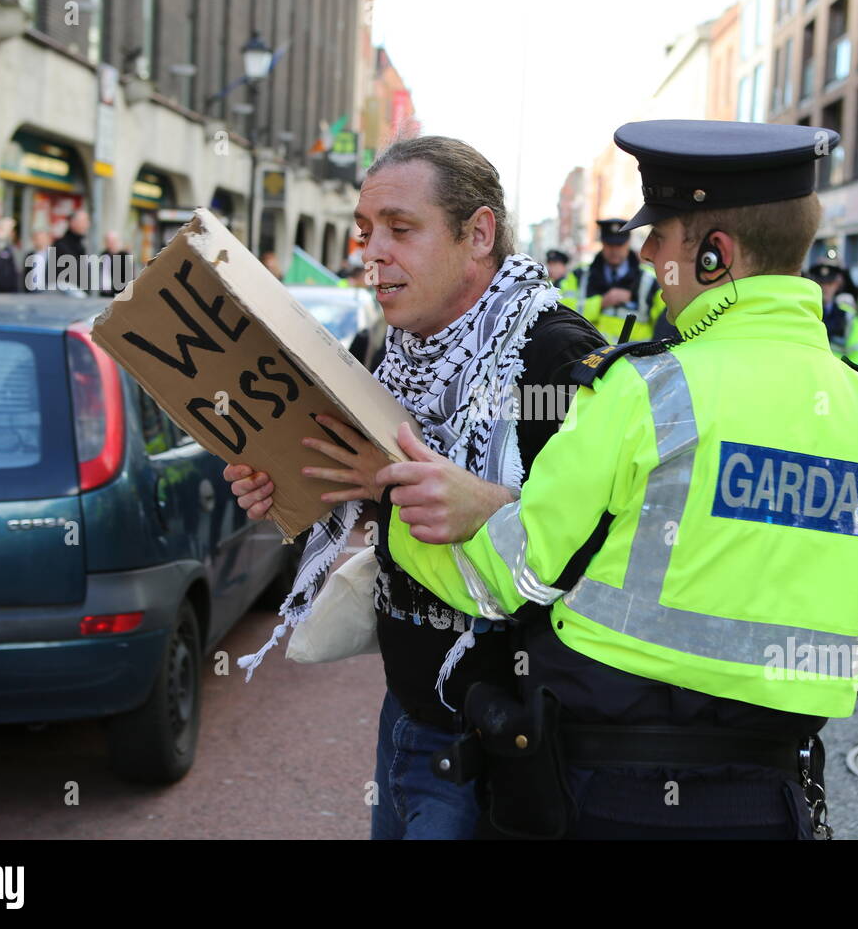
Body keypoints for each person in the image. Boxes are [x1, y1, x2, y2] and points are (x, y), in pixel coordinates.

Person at [371, 119, 858, 839]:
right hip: (770, 804)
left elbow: (506, 579)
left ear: (714, 256)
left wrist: (393, 506)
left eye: (660, 238)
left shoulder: (645, 394)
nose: (646, 255)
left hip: (605, 799)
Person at [221, 136, 605, 839]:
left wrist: (484, 503)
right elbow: (371, 494)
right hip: (408, 709)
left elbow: (606, 542)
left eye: (402, 229)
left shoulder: (556, 354)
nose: (374, 253)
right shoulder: (393, 348)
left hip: (502, 728)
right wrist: (285, 487)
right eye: (367, 233)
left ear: (478, 234)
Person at [558, 218, 664, 342]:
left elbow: (664, 322)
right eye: (609, 244)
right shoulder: (579, 275)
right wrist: (601, 302)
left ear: (628, 243)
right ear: (602, 243)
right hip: (591, 358)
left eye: (619, 245)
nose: (614, 250)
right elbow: (562, 312)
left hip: (635, 359)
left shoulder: (650, 280)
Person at [810, 261, 858, 368]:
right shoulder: (805, 313)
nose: (825, 288)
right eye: (821, 283)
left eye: (829, 283)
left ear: (837, 284)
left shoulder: (848, 317)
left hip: (836, 382)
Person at [98, 230, 133, 296]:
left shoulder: (124, 256)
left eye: (113, 241)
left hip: (119, 294)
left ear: (118, 241)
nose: (111, 243)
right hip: (103, 294)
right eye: (108, 241)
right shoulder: (103, 255)